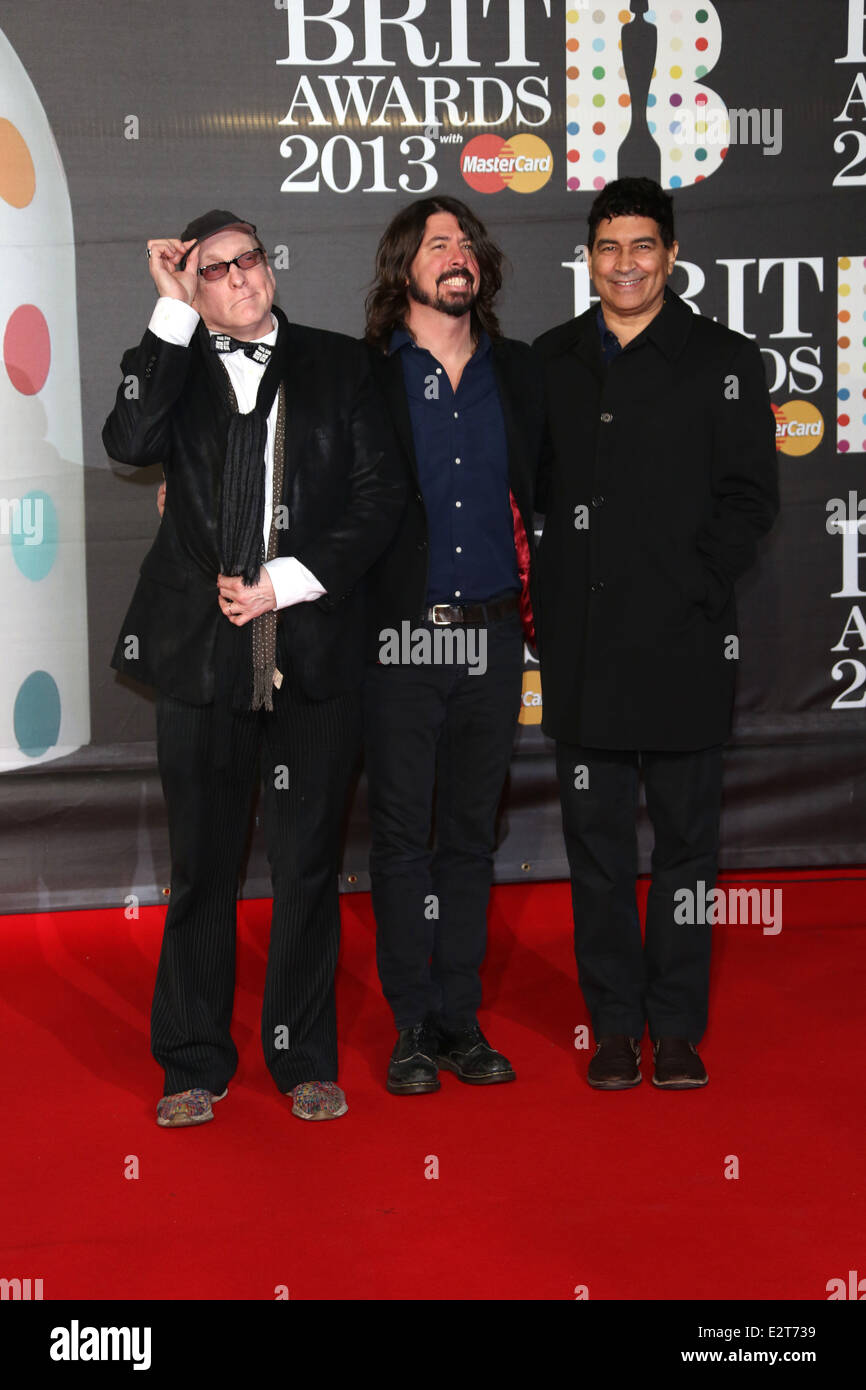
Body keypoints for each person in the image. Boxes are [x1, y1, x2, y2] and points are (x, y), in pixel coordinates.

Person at [104, 210, 404, 1126]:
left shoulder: (344, 364)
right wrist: (167, 313)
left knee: (309, 865)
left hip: (308, 647)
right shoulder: (174, 363)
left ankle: (304, 1056)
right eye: (215, 270)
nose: (240, 277)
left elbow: (380, 495)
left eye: (250, 260)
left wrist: (285, 580)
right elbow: (129, 440)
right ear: (193, 287)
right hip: (201, 658)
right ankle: (193, 1060)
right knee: (203, 867)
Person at [533, 177, 778, 1090]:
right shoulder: (552, 359)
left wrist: (695, 586)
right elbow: (526, 489)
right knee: (597, 854)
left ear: (671, 256)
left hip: (684, 646)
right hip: (585, 649)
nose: (625, 264)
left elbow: (751, 497)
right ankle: (615, 1028)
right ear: (588, 260)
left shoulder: (724, 358)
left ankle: (675, 1026)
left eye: (642, 247)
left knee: (685, 850)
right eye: (608, 248)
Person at [363, 195, 547, 1095]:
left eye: (467, 241)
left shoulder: (516, 372)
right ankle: (408, 1027)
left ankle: (458, 1020)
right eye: (439, 242)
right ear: (405, 266)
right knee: (401, 840)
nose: (458, 253)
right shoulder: (367, 375)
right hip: (402, 640)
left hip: (492, 639)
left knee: (471, 838)